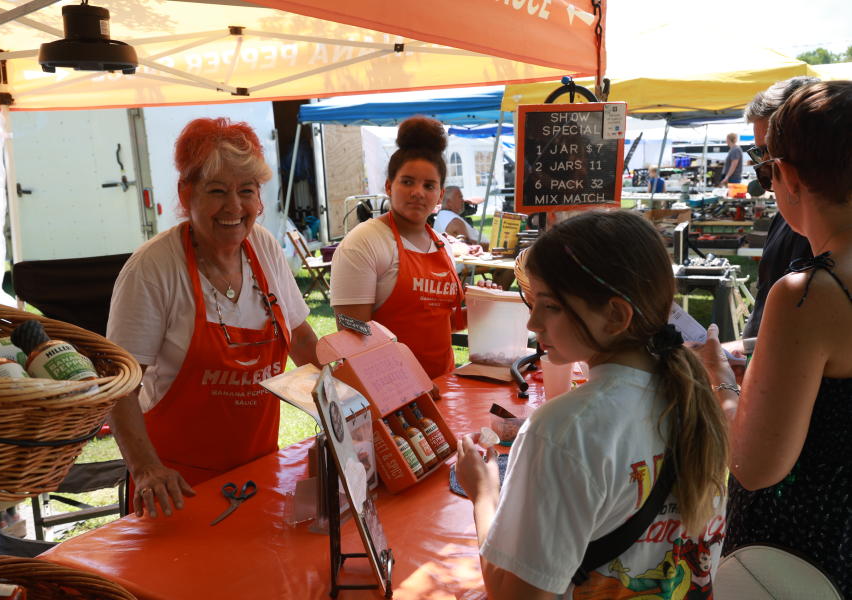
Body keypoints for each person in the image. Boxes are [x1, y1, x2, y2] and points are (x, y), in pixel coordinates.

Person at [456, 210, 729, 599]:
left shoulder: (563, 431)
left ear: (615, 316)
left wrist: (483, 494)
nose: (532, 322)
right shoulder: (696, 402)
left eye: (549, 305)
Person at [107, 117, 319, 518]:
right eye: (217, 191)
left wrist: (358, 401)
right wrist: (147, 469)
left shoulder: (265, 247)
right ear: (187, 195)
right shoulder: (152, 269)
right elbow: (120, 388)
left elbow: (304, 341)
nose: (234, 208)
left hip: (258, 474)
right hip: (176, 489)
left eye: (247, 192)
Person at [700, 81, 852, 597]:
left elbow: (753, 465)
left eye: (767, 169)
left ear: (786, 174)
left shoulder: (809, 293)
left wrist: (719, 379)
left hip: (798, 557)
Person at [330, 117, 464, 380]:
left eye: (429, 186)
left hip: (443, 388)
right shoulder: (364, 242)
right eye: (407, 182)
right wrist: (405, 383)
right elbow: (351, 329)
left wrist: (486, 306)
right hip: (386, 392)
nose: (418, 192)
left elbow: (437, 322)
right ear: (389, 186)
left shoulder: (442, 244)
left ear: (440, 194)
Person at [737, 76, 816, 343]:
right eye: (758, 156)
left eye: (768, 154)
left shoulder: (828, 234)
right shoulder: (786, 217)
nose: (764, 167)